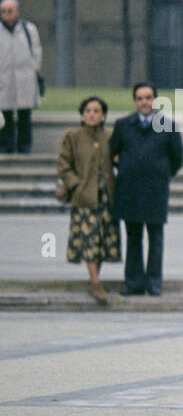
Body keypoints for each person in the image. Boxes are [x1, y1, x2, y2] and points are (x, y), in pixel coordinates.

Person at [110, 83, 183, 296]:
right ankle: (134, 282)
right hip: (130, 190)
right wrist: (126, 168)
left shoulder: (168, 126)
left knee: (155, 238)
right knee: (133, 238)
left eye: (148, 97)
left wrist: (161, 174)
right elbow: (113, 152)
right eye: (140, 98)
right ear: (135, 101)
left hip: (155, 191)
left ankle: (153, 282)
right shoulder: (123, 125)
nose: (144, 102)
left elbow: (177, 157)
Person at [56, 96, 120, 304]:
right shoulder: (72, 136)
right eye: (88, 111)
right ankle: (95, 281)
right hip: (85, 197)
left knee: (101, 241)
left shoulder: (110, 136)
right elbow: (63, 164)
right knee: (89, 239)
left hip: (106, 197)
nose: (91, 114)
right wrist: (75, 185)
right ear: (82, 115)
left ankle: (95, 278)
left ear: (103, 116)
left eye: (96, 111)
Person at [0, 0, 42, 154]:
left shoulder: (29, 29)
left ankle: (25, 147)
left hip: (25, 80)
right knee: (5, 117)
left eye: (9, 11)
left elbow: (37, 51)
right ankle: (6, 146)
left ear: (17, 11)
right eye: (3, 11)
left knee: (25, 116)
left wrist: (34, 68)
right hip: (3, 81)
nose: (6, 14)